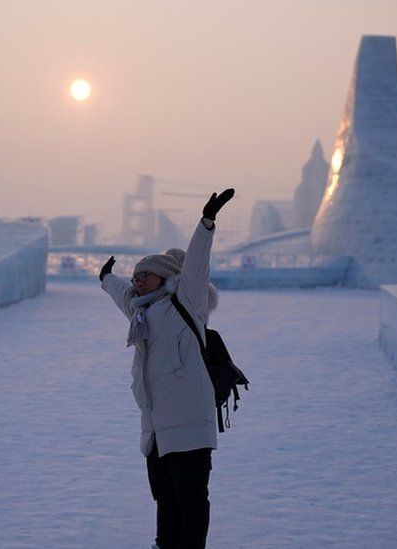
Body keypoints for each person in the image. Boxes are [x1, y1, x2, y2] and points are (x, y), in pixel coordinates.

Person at [99, 189, 234, 549]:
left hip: (189, 422)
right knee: (165, 497)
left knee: (191, 499)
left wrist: (206, 224)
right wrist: (105, 279)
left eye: (145, 275)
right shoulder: (141, 313)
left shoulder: (186, 305)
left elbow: (195, 266)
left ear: (165, 278)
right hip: (157, 426)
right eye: (136, 275)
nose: (137, 280)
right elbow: (122, 295)